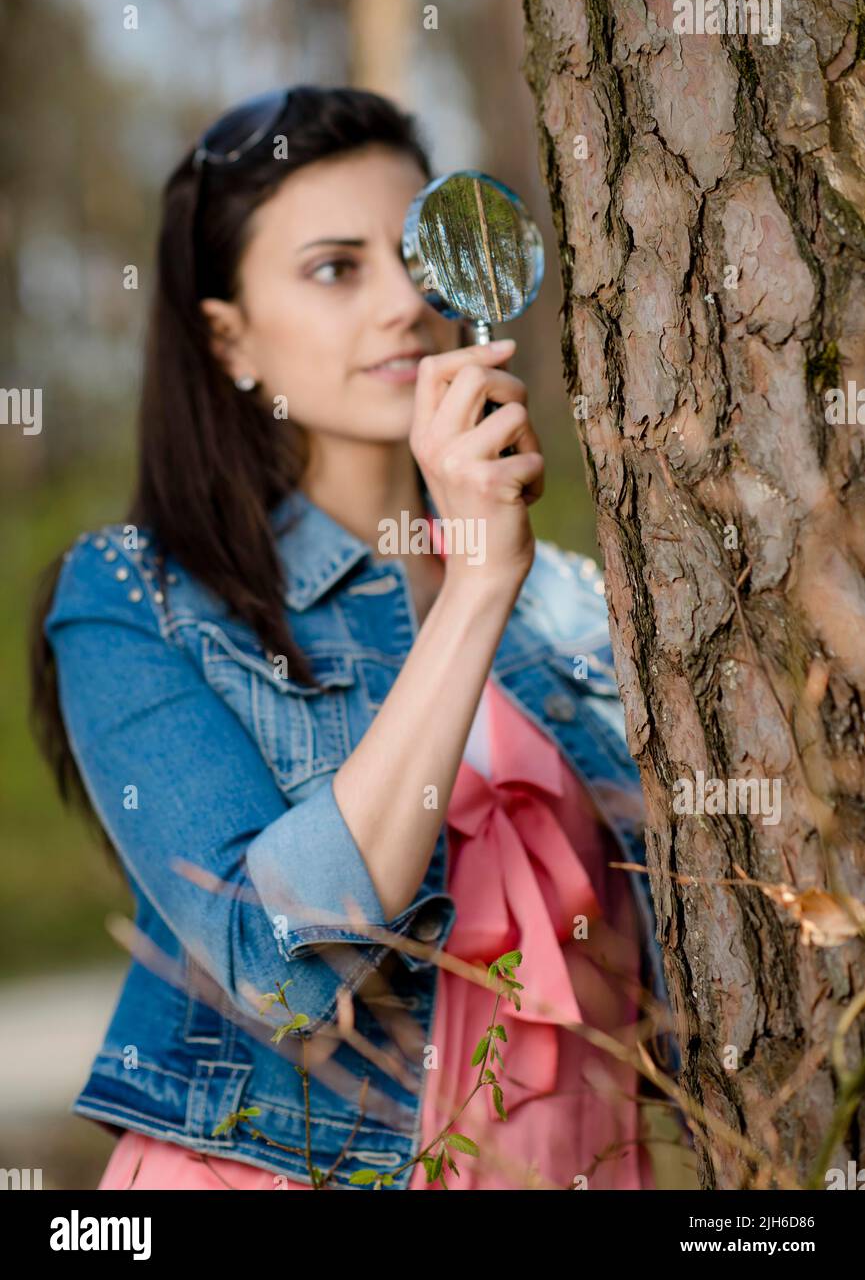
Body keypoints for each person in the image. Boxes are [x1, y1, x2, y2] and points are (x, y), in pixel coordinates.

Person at [29, 84, 681, 1191]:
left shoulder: (576, 604)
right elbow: (273, 965)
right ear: (227, 336)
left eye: (418, 254)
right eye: (336, 268)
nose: (404, 303)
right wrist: (474, 586)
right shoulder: (139, 594)